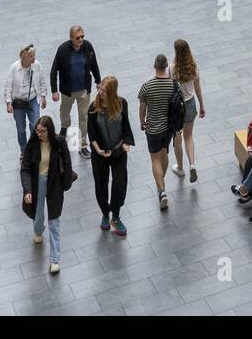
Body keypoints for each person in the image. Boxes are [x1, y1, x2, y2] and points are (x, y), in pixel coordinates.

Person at [20, 115, 73, 274]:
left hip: (54, 182)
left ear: (49, 131)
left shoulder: (59, 142)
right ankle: (38, 230)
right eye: (37, 131)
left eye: (42, 131)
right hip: (37, 183)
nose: (39, 134)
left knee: (54, 221)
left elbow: (68, 162)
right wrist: (28, 190)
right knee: (38, 212)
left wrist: (65, 184)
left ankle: (55, 260)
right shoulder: (33, 143)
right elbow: (25, 168)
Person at [87, 75, 135, 236]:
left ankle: (115, 214)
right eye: (100, 88)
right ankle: (105, 214)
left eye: (105, 90)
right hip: (100, 153)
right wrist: (98, 150)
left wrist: (126, 143)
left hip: (118, 150)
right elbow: (91, 133)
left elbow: (126, 126)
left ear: (112, 92)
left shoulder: (122, 104)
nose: (101, 92)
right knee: (101, 183)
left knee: (120, 182)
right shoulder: (93, 108)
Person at [48, 25, 101, 158]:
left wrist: (98, 81)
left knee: (84, 117)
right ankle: (65, 128)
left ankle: (83, 145)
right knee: (64, 113)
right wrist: (54, 90)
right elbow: (54, 70)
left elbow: (94, 64)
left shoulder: (88, 47)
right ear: (71, 38)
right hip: (68, 91)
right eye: (78, 37)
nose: (81, 39)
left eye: (82, 36)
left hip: (84, 90)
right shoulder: (63, 50)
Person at [137, 53, 178, 211]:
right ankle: (161, 182)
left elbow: (142, 108)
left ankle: (161, 190)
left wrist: (142, 123)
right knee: (164, 155)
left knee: (155, 159)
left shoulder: (147, 86)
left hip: (152, 129)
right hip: (168, 128)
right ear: (166, 66)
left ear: (154, 67)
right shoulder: (173, 85)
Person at [170, 39, 205, 183]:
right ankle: (192, 164)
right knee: (189, 136)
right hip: (190, 104)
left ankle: (180, 167)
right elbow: (197, 88)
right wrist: (202, 106)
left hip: (177, 106)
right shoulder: (194, 67)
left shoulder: (171, 68)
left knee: (178, 138)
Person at [4, 43, 48, 153]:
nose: (34, 57)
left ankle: (34, 149)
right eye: (31, 56)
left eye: (34, 55)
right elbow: (8, 86)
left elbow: (42, 81)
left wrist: (43, 97)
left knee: (35, 126)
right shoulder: (14, 68)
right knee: (21, 129)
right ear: (24, 57)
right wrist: (8, 103)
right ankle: (23, 152)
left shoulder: (37, 65)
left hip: (33, 100)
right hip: (19, 103)